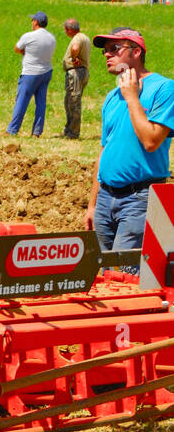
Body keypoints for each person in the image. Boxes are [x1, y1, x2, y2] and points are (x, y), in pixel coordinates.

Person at [85, 27, 174, 266]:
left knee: (125, 274)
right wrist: (92, 205)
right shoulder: (113, 96)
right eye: (105, 50)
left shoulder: (164, 89)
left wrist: (133, 97)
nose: (107, 54)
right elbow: (104, 150)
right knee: (102, 272)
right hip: (106, 198)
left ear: (136, 52)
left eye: (115, 48)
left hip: (139, 198)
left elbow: (151, 141)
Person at [6, 10, 56, 137]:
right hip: (46, 71)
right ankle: (37, 132)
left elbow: (17, 48)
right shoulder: (51, 38)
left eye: (32, 20)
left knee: (22, 101)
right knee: (41, 103)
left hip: (30, 73)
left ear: (36, 22)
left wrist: (25, 53)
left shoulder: (29, 36)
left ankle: (12, 130)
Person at [59, 17, 90, 139]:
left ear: (69, 29)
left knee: (73, 102)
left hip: (76, 73)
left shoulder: (77, 39)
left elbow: (75, 48)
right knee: (69, 101)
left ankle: (73, 133)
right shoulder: (84, 37)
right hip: (81, 72)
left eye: (65, 29)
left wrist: (73, 58)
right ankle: (69, 129)